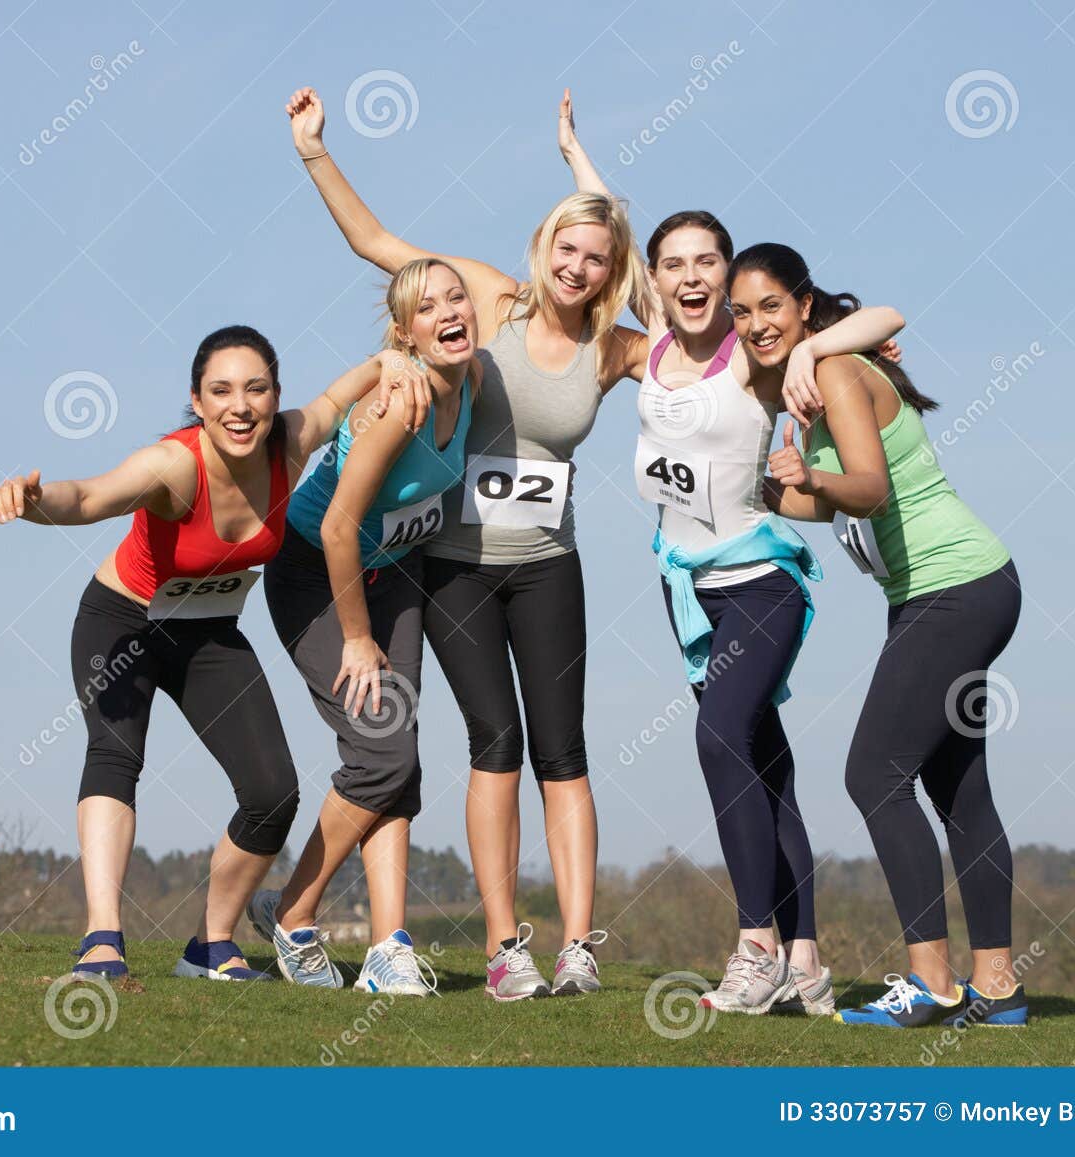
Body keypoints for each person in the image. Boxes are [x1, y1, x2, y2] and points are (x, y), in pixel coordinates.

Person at [280, 85, 650, 999]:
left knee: (565, 749)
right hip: (451, 566)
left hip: (548, 565)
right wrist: (315, 151)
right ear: (539, 247)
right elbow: (378, 246)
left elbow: (694, 323)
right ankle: (504, 947)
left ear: (611, 270)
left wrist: (585, 171)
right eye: (564, 246)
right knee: (495, 740)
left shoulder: (616, 348)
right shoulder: (487, 299)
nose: (577, 266)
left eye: (595, 257)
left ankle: (576, 948)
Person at [558, 96, 902, 1016]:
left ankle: (752, 946)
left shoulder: (755, 354)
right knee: (764, 762)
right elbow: (618, 240)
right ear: (659, 282)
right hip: (691, 593)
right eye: (675, 265)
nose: (691, 275)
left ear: (730, 270)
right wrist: (579, 163)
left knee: (719, 741)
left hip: (763, 588)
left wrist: (817, 342)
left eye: (708, 259)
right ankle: (806, 960)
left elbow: (888, 316)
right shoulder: (649, 348)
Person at [0, 324, 430, 982]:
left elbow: (338, 396)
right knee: (116, 756)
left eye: (256, 389)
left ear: (276, 395)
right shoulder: (174, 465)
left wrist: (390, 358)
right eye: (220, 391)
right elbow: (86, 496)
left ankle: (208, 946)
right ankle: (102, 939)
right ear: (197, 400)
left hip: (209, 630)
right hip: (123, 623)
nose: (239, 405)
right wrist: (31, 502)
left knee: (272, 792)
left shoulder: (292, 443)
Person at [749, 242, 1026, 1028]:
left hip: (955, 588)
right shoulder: (823, 373)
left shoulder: (835, 368)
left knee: (874, 774)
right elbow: (829, 505)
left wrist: (817, 475)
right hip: (948, 592)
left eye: (772, 305)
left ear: (804, 304)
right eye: (745, 312)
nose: (756, 323)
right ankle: (998, 989)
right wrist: (774, 490)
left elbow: (864, 489)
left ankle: (931, 981)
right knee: (957, 786)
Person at [250, 257, 477, 997]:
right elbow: (342, 525)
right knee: (381, 752)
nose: (449, 311)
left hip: (396, 571)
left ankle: (388, 948)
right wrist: (356, 635)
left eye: (457, 297)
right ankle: (292, 911)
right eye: (428, 306)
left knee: (397, 757)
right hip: (319, 572)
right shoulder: (395, 405)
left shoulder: (472, 380)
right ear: (404, 333)